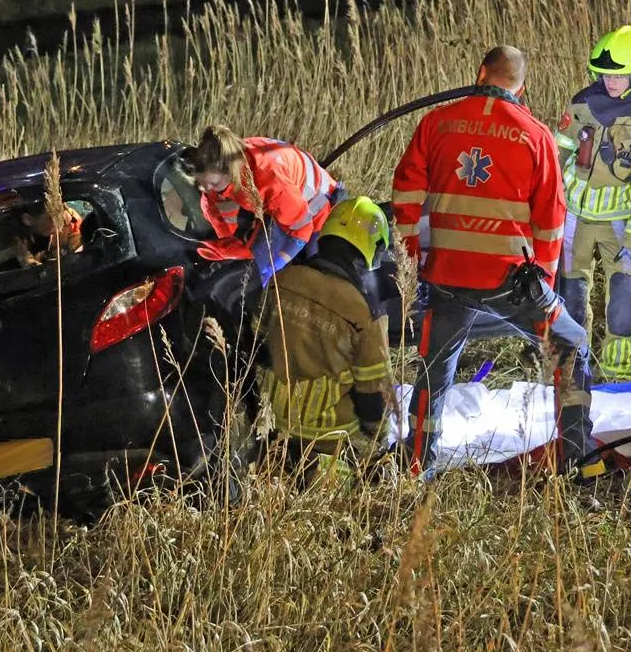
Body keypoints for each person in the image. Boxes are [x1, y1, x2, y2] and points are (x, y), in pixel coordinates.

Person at [392, 46, 593, 476]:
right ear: (522, 86)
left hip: (445, 275)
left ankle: (417, 463)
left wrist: (412, 263)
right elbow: (551, 219)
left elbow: (405, 196)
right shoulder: (535, 135)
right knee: (571, 343)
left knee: (434, 370)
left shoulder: (436, 123)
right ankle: (576, 455)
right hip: (510, 281)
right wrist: (543, 281)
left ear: (480, 73)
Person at [554, 26, 631, 381]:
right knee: (569, 296)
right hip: (574, 218)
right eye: (606, 75)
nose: (611, 82)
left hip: (620, 223)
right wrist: (548, 210)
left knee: (624, 300)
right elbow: (558, 153)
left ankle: (620, 372)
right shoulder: (581, 104)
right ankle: (571, 369)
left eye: (620, 75)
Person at [257, 197, 395, 481]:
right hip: (328, 439)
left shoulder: (281, 280)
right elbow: (374, 396)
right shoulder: (365, 312)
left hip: (270, 423)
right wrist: (378, 440)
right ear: (374, 250)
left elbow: (256, 347)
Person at [185, 126, 340, 285]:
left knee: (292, 275)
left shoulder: (269, 181)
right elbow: (222, 224)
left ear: (230, 172)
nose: (206, 188)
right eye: (201, 182)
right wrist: (227, 251)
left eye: (213, 183)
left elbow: (301, 230)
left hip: (320, 209)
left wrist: (274, 266)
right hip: (277, 203)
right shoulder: (217, 164)